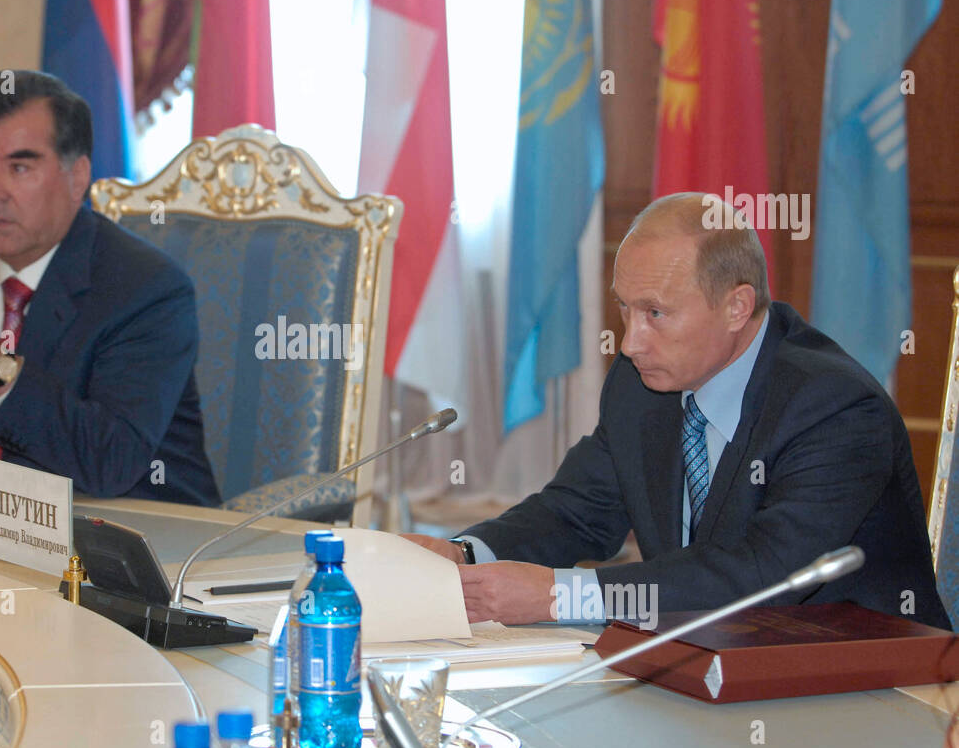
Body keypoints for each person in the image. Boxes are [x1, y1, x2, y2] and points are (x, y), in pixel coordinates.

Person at [405, 192, 951, 631]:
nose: (630, 342)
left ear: (737, 306)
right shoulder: (642, 383)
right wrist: (467, 555)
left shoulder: (835, 408)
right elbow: (579, 510)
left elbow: (761, 575)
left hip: (860, 685)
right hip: (701, 666)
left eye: (656, 313)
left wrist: (557, 596)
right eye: (625, 308)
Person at [0, 70, 220, 506]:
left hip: (138, 544)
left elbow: (110, 462)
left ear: (77, 178)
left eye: (19, 167)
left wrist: (0, 369)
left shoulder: (145, 289)